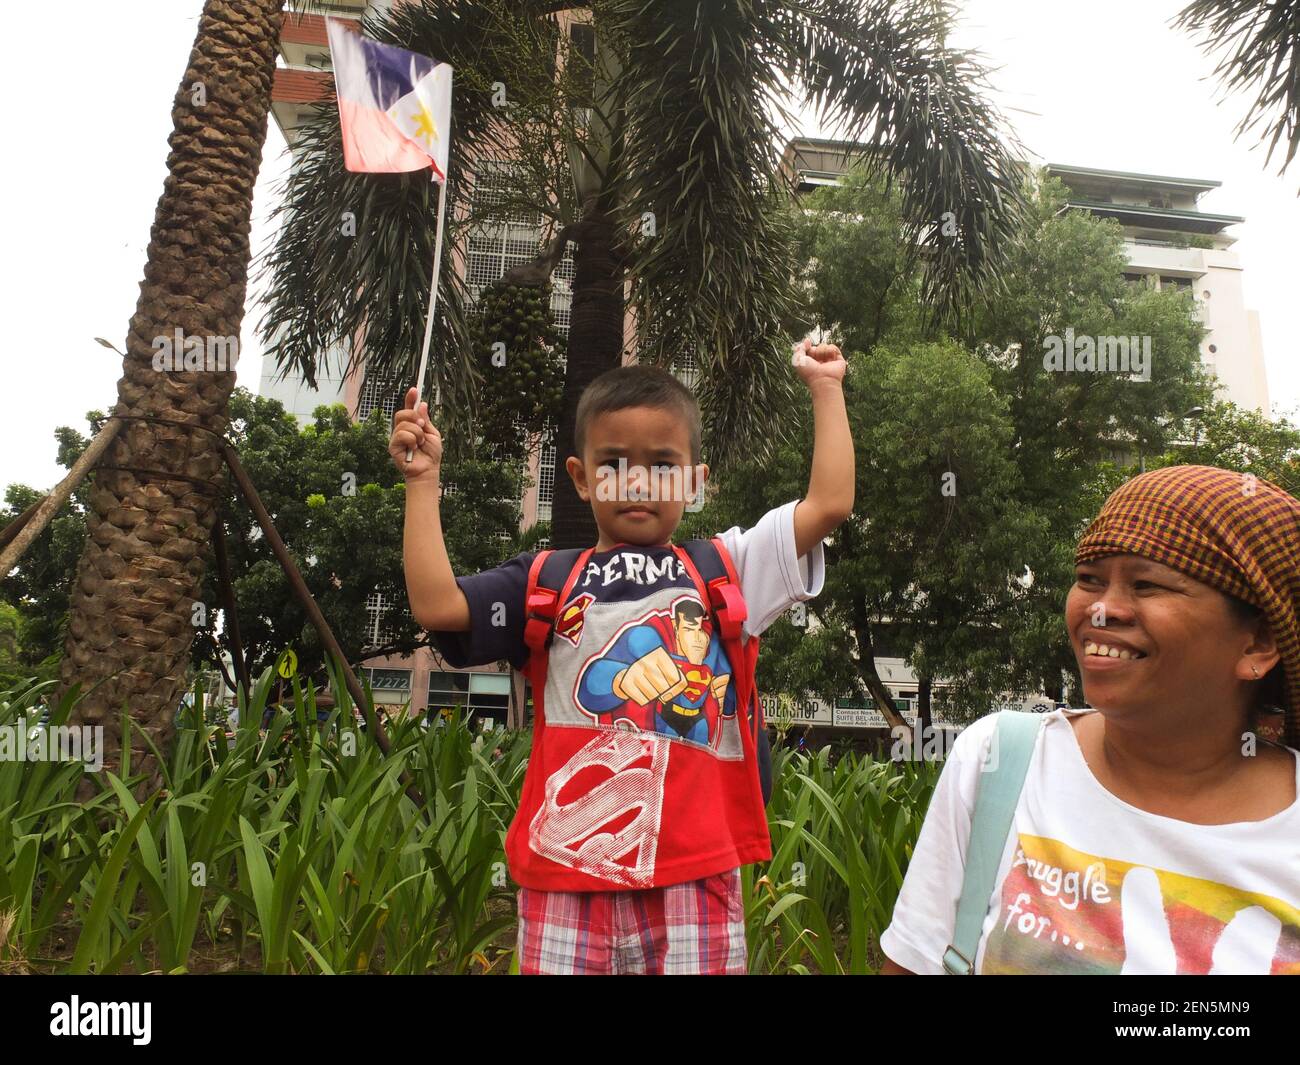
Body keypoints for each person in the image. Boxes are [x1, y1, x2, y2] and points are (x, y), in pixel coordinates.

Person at [391, 344, 854, 974]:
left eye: (664, 464)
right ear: (580, 478)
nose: (638, 481)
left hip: (698, 873)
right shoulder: (546, 578)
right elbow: (438, 606)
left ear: (696, 480)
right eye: (614, 464)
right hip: (565, 874)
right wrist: (422, 483)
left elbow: (829, 504)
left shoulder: (729, 563)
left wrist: (826, 388)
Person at [881, 465, 1300, 975]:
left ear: (1257, 644)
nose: (1101, 611)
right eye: (1089, 580)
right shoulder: (1000, 762)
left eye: (1147, 584)